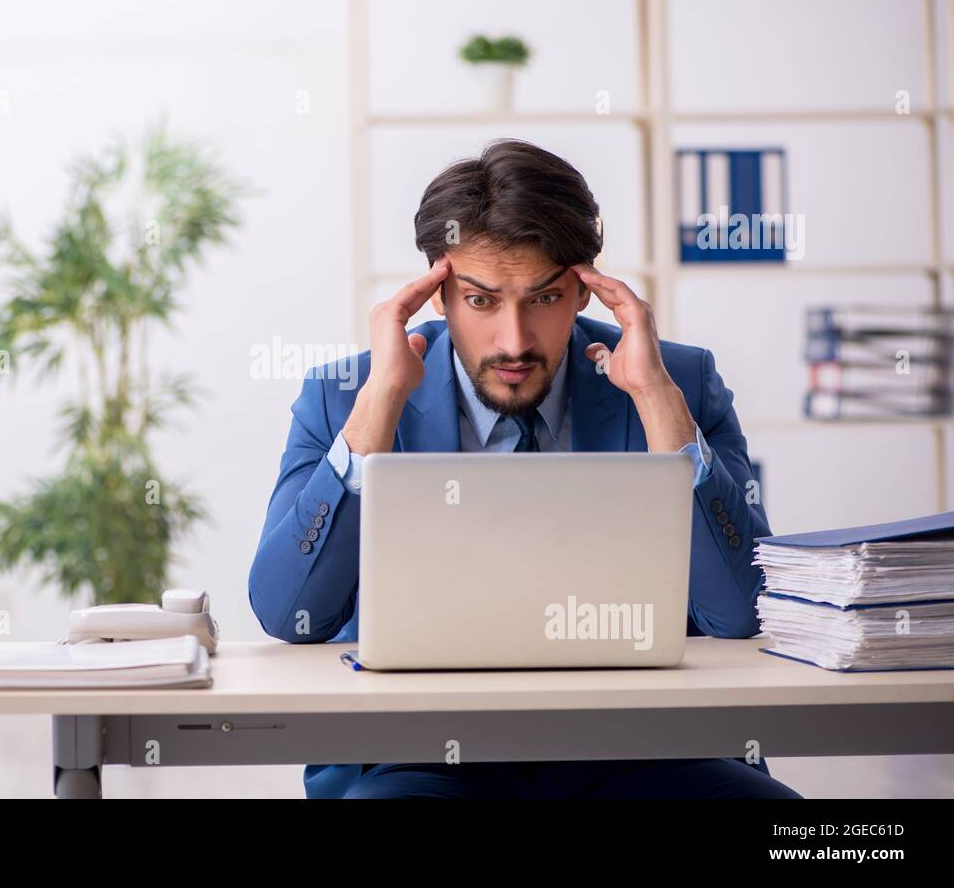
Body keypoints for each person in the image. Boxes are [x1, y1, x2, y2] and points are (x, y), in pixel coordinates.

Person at [247, 139, 801, 799]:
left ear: (584, 288)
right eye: (481, 301)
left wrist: (658, 403)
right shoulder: (346, 393)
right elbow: (287, 612)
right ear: (436, 293)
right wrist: (378, 411)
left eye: (543, 298)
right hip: (416, 755)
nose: (513, 341)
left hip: (648, 749)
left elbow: (738, 611)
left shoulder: (678, 380)